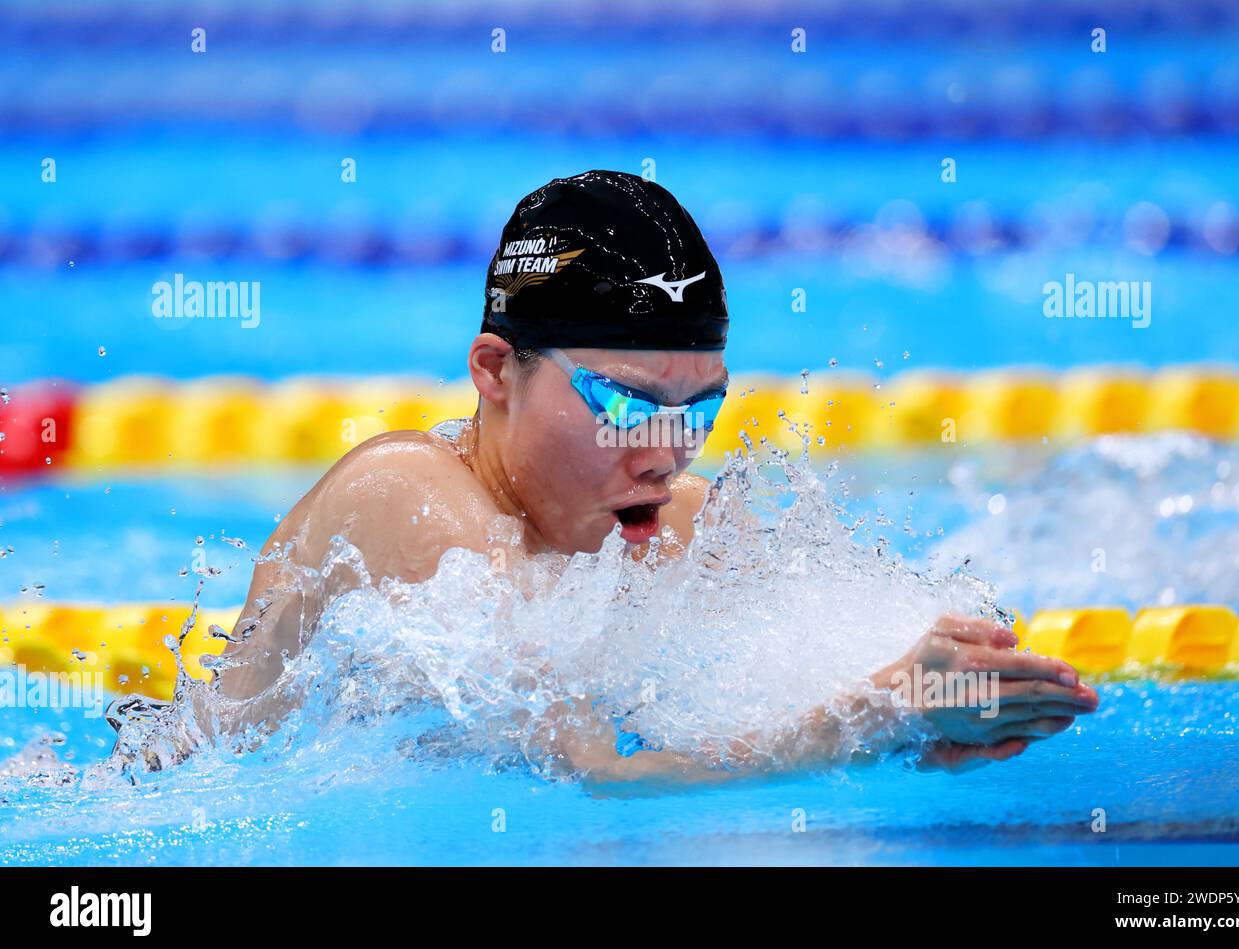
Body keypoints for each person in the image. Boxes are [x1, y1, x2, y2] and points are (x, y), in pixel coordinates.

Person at [214, 170, 1098, 781]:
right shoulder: (401, 494)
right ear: (494, 371)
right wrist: (874, 718)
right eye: (625, 405)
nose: (666, 456)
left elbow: (852, 663)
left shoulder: (672, 529)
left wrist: (938, 716)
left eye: (698, 412)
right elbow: (600, 771)